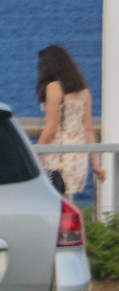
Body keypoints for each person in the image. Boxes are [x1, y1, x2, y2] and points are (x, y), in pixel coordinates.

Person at [37, 44, 105, 199]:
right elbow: (88, 128)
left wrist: (34, 153)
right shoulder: (83, 90)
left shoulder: (53, 87)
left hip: (57, 156)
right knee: (67, 203)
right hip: (78, 157)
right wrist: (96, 164)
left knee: (54, 203)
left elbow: (52, 127)